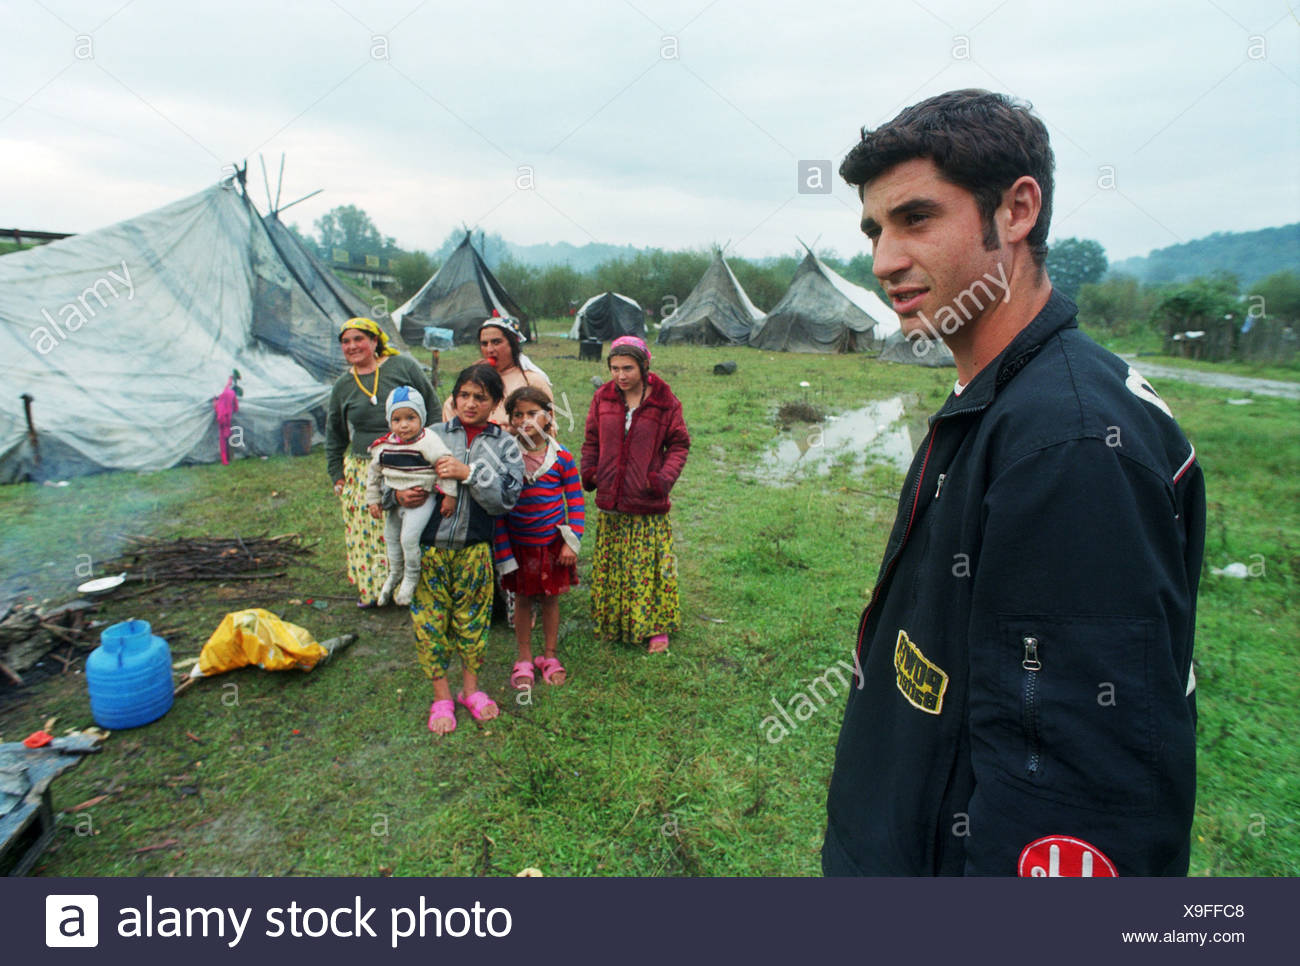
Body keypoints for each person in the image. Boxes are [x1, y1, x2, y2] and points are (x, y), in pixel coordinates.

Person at [821, 90, 1205, 877]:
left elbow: (1073, 803)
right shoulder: (1007, 397)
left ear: (1017, 210)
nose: (883, 260)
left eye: (916, 218)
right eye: (874, 228)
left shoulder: (1069, 445)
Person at [395, 363, 524, 735]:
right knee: (430, 624)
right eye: (463, 395)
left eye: (480, 397)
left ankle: (470, 690)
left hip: (474, 550)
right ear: (453, 398)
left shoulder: (505, 445)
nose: (470, 403)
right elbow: (396, 471)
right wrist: (397, 494)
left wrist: (468, 475)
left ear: (495, 403)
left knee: (473, 623)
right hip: (429, 551)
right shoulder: (428, 435)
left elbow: (506, 500)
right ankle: (442, 696)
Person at [580, 335, 690, 653]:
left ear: (644, 365)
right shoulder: (603, 398)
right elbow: (591, 441)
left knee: (651, 566)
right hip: (612, 497)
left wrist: (662, 479)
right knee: (614, 564)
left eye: (628, 368)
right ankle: (615, 620)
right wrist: (591, 473)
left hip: (647, 500)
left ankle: (656, 626)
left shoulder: (665, 401)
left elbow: (680, 444)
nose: (621, 375)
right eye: (614, 368)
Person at [325, 318, 437, 607]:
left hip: (410, 463)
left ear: (375, 341)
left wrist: (436, 453)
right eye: (345, 342)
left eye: (358, 339)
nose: (352, 346)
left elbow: (432, 406)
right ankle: (375, 591)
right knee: (368, 530)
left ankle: (413, 589)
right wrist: (337, 473)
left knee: (409, 527)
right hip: (365, 468)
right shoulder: (343, 386)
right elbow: (334, 433)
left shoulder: (403, 367)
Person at [495, 386, 585, 689]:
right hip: (518, 547)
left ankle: (550, 655)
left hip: (551, 547)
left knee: (550, 601)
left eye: (532, 413)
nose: (525, 421)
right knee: (521, 601)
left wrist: (571, 543)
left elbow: (575, 501)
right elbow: (498, 509)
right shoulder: (504, 458)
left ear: (548, 417)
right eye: (517, 415)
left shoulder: (562, 458)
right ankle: (523, 658)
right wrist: (504, 552)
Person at [364, 386, 457, 607]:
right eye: (397, 419)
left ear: (421, 418)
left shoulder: (428, 441)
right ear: (389, 421)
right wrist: (373, 500)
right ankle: (395, 573)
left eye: (410, 418)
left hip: (421, 499)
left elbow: (445, 465)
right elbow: (373, 475)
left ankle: (411, 577)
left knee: (408, 538)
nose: (404, 425)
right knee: (391, 537)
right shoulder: (385, 445)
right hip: (395, 500)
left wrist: (450, 496)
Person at [442, 318, 553, 427]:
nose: (489, 350)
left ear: (512, 344)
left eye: (496, 342)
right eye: (484, 344)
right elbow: (450, 409)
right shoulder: (475, 378)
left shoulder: (532, 380)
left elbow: (548, 427)